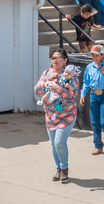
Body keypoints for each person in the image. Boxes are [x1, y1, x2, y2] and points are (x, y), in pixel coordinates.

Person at [34, 49, 79, 183]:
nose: (55, 60)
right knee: (53, 144)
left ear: (65, 60)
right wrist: (49, 80)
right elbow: (37, 89)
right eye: (53, 58)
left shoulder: (71, 75)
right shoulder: (47, 73)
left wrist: (55, 87)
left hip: (67, 114)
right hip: (51, 115)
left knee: (60, 141)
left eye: (58, 58)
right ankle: (58, 168)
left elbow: (72, 94)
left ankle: (65, 169)